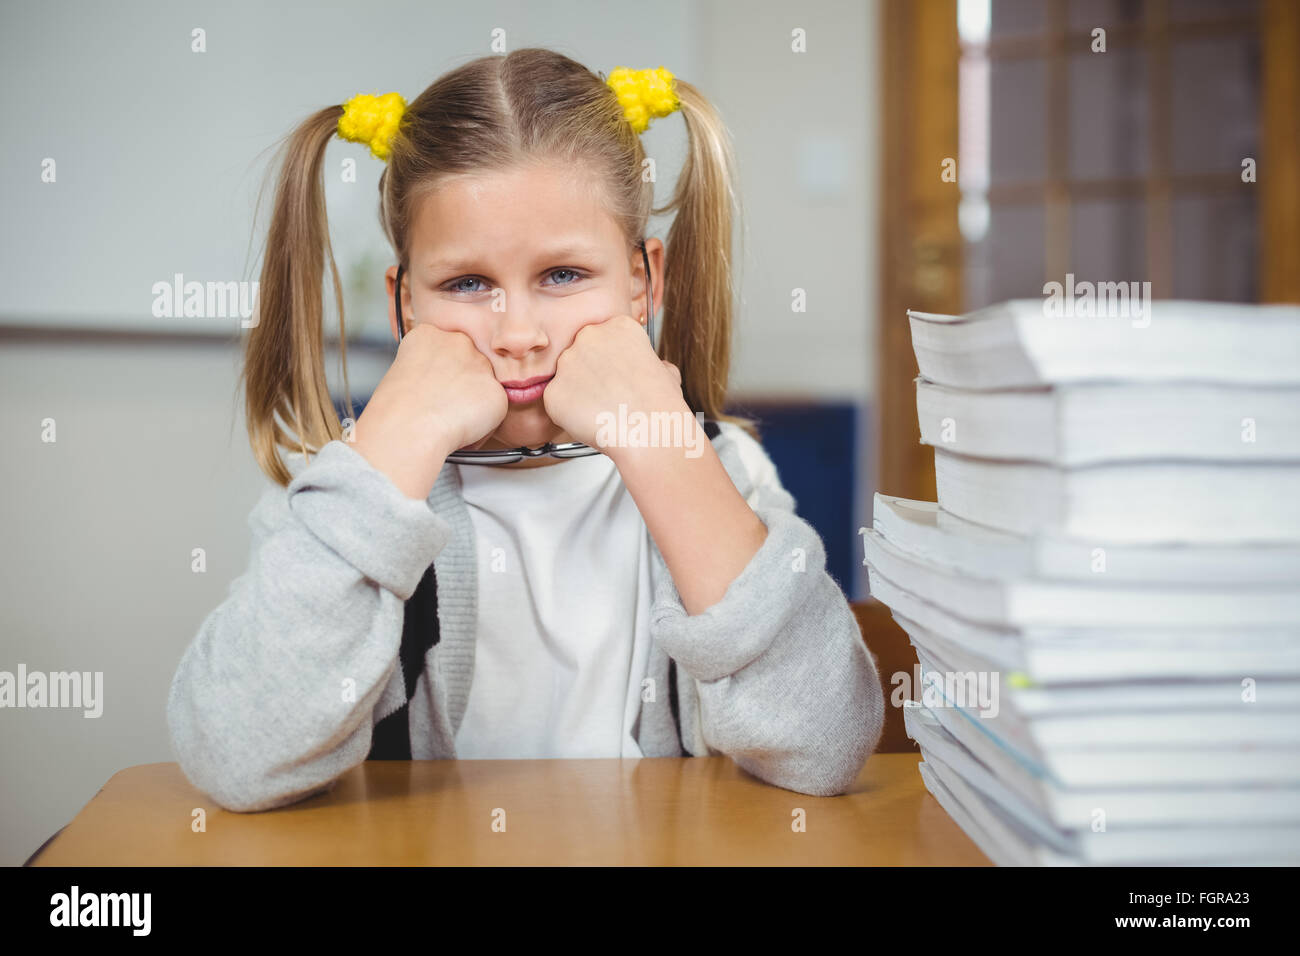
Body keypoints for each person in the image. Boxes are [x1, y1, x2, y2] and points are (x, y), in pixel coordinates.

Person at [166, 48, 884, 812]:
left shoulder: (719, 465)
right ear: (405, 304)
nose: (520, 334)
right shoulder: (349, 489)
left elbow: (827, 744)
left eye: (563, 276)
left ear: (643, 284)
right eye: (467, 284)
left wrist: (662, 448)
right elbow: (236, 755)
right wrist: (389, 449)